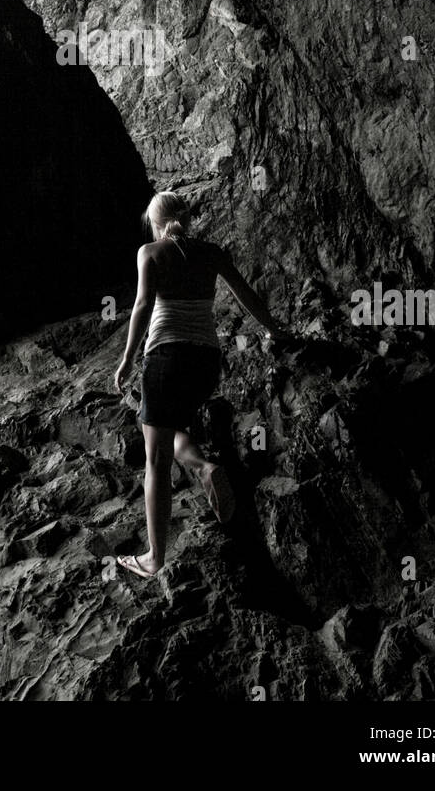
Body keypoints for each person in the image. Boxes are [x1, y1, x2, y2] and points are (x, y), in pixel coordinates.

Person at [113, 190, 283, 579]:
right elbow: (246, 294)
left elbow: (142, 307)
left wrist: (125, 361)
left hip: (166, 359)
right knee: (174, 429)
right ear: (187, 219)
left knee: (155, 459)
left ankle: (154, 558)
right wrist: (276, 330)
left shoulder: (150, 253)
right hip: (206, 362)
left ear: (155, 222)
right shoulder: (212, 252)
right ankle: (205, 468)